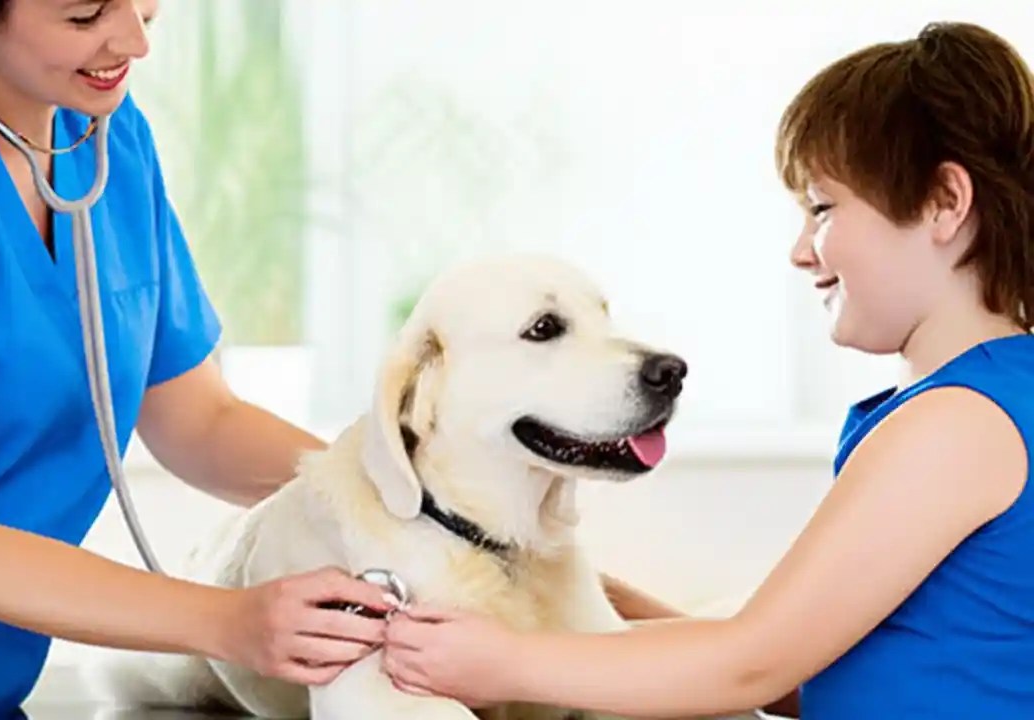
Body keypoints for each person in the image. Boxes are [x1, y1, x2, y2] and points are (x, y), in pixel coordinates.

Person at [0, 1, 674, 717]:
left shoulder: (99, 136)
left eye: (143, 9)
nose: (131, 45)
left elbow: (200, 424)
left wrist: (433, 514)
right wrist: (233, 621)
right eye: (84, 17)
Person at [382, 20, 1034, 720]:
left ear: (944, 203)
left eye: (821, 209)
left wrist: (503, 660)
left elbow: (750, 666)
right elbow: (804, 669)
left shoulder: (959, 423)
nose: (801, 252)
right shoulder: (979, 404)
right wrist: (616, 621)